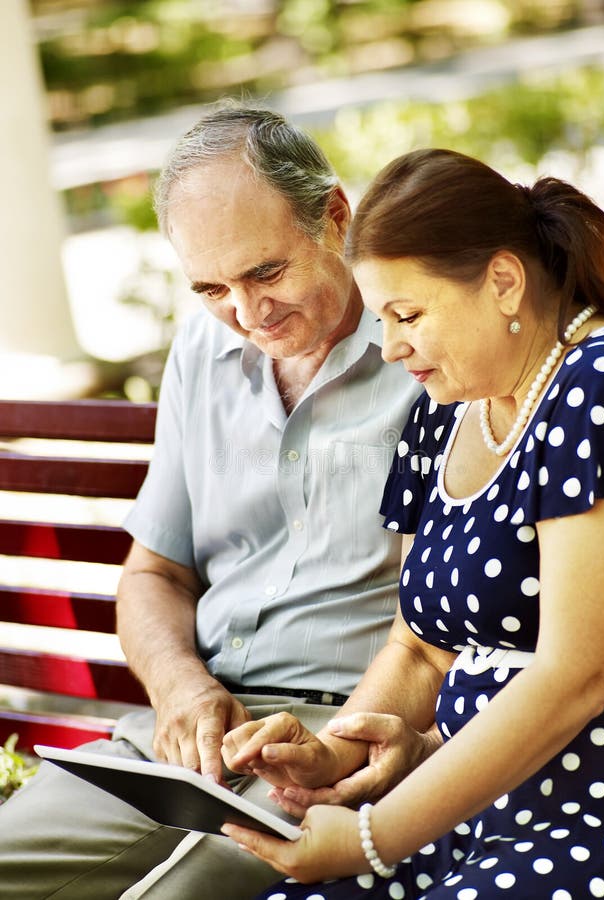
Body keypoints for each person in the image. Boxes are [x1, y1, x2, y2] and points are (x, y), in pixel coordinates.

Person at [218, 148, 604, 899]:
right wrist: (336, 754)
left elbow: (577, 675)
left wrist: (372, 838)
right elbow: (420, 650)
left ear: (502, 281)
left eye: (407, 314)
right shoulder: (445, 412)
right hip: (476, 810)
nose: (391, 346)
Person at [0, 104, 420, 900]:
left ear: (334, 216)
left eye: (266, 272)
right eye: (211, 287)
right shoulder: (204, 345)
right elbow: (153, 572)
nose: (248, 313)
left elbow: (437, 630)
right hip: (188, 736)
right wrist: (181, 689)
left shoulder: (421, 347)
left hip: (342, 738)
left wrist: (335, 747)